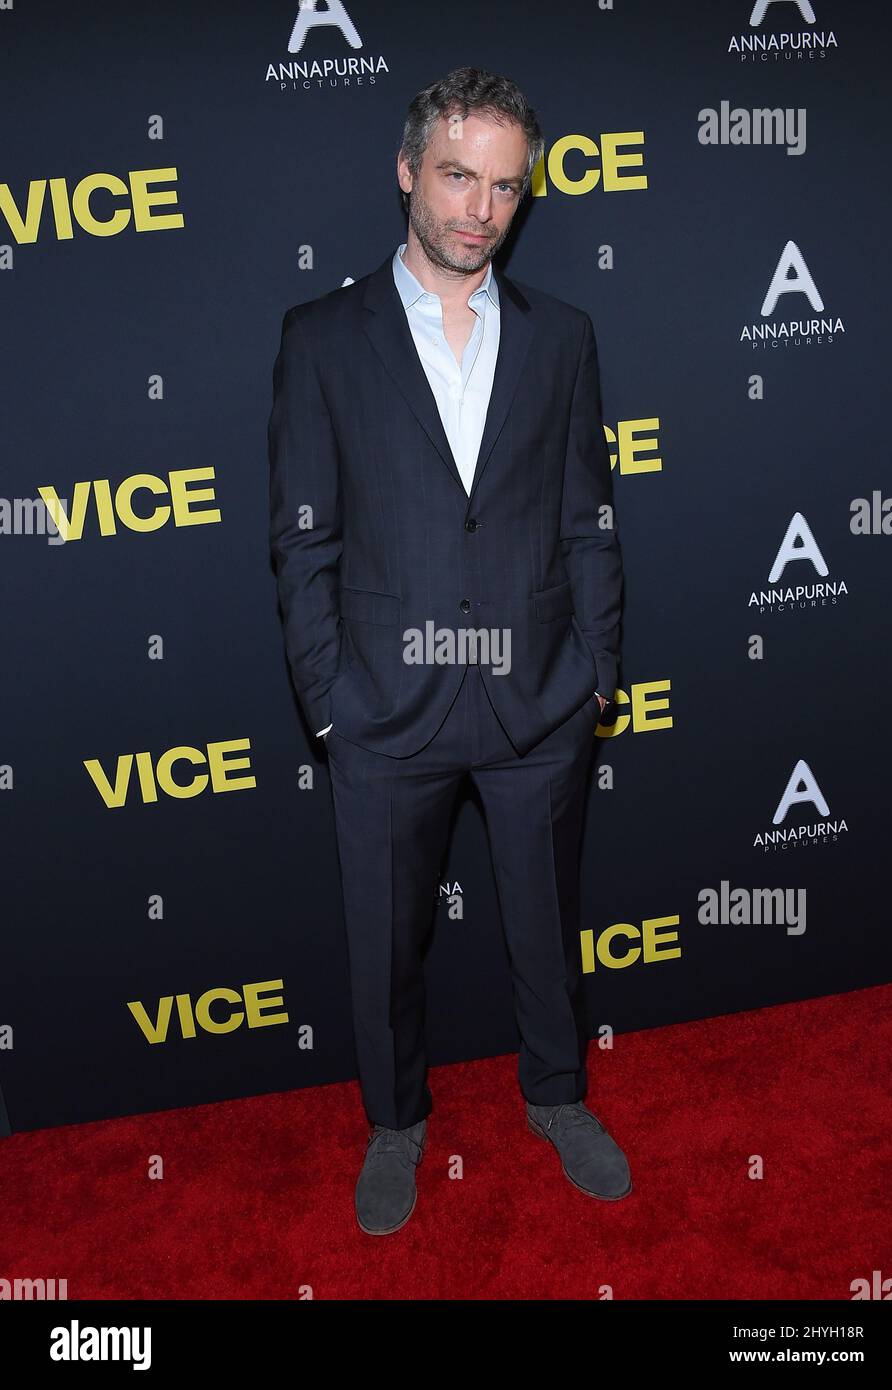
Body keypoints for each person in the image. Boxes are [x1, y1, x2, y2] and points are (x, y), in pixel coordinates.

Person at [268, 66, 631, 1235]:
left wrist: (594, 678)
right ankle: (395, 1124)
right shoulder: (321, 338)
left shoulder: (563, 336)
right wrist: (330, 704)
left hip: (536, 704)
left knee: (546, 922)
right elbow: (301, 537)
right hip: (384, 711)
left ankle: (558, 1093)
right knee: (384, 946)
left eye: (504, 187)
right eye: (457, 176)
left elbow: (586, 518)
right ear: (406, 171)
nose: (478, 208)